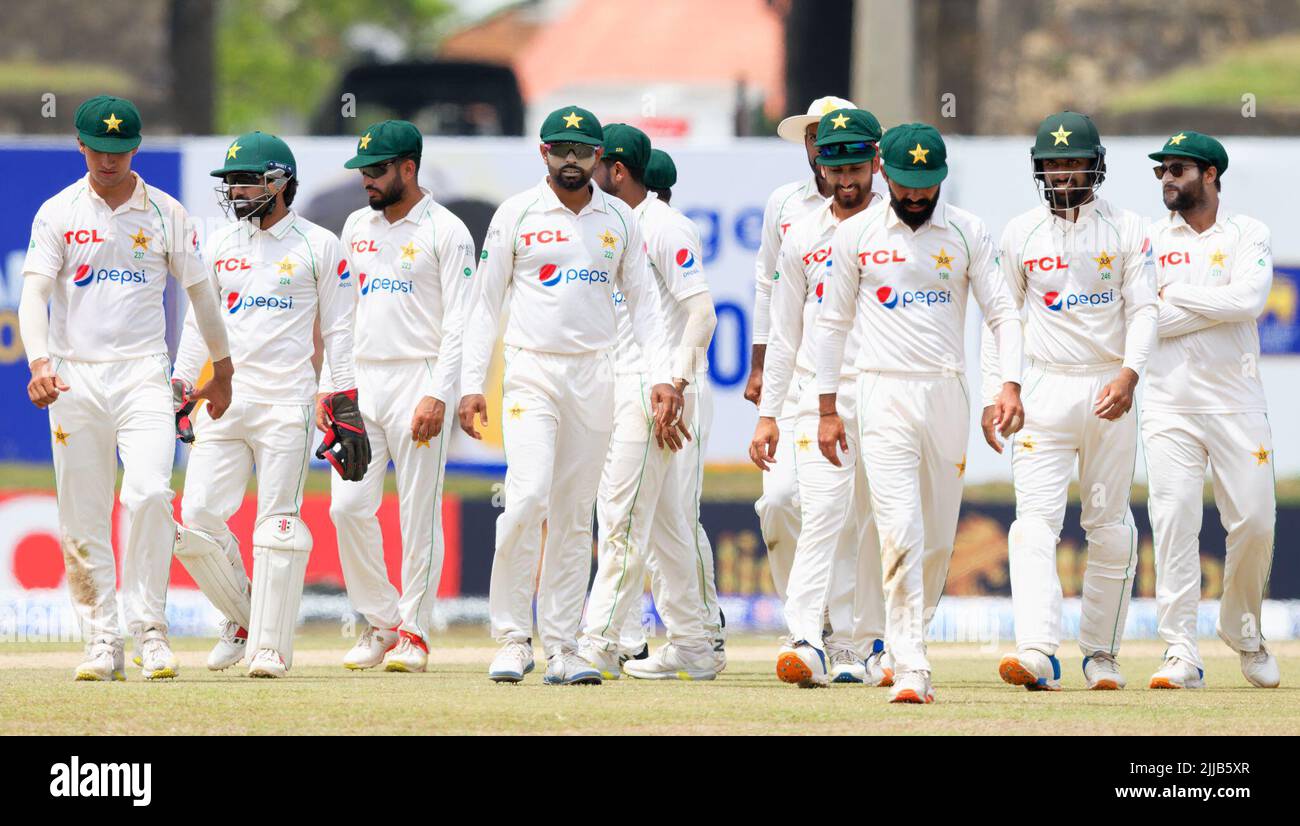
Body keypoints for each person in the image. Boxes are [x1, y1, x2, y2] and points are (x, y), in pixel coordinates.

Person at [458, 106, 680, 685]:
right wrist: (470, 384)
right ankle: (511, 636)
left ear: (600, 158)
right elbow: (483, 304)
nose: (573, 161)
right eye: (563, 150)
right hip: (531, 372)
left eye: (584, 151)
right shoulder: (517, 213)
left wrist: (661, 374)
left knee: (576, 515)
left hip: (596, 374)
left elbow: (647, 304)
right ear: (544, 153)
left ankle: (561, 645)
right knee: (527, 499)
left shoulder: (620, 221)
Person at [18, 95, 233, 681]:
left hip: (144, 375)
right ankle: (101, 641)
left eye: (120, 150)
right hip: (73, 376)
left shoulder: (166, 213)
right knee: (83, 514)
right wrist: (40, 362)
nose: (108, 161)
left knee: (148, 495)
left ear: (135, 148)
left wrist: (223, 367)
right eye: (98, 149)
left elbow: (202, 294)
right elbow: (34, 294)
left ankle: (151, 630)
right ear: (80, 145)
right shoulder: (57, 213)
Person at [817, 123, 1024, 704]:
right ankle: (910, 664)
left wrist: (1005, 387)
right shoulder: (856, 233)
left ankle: (903, 639)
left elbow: (1003, 313)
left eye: (925, 186)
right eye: (905, 185)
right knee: (900, 529)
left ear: (941, 178)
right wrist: (827, 408)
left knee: (935, 540)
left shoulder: (966, 231)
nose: (914, 197)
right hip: (880, 393)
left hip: (945, 393)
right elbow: (831, 324)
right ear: (884, 172)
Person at [171, 131, 367, 679]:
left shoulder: (319, 245)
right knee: (198, 518)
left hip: (288, 402)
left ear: (280, 183)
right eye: (230, 181)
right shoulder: (218, 244)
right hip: (225, 399)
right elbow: (198, 324)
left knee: (276, 524)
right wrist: (181, 383)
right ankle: (243, 619)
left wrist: (342, 399)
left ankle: (269, 648)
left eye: (246, 180)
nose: (234, 191)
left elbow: (340, 329)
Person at [985, 111, 1157, 692]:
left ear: (1096, 165)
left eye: (1073, 162)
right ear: (1039, 168)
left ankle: (1101, 654)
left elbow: (1146, 310)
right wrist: (1001, 389)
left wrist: (1131, 374)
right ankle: (1036, 649)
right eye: (1053, 163)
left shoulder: (1129, 229)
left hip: (1108, 387)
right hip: (1043, 389)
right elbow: (1002, 318)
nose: (1063, 173)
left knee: (1107, 523)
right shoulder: (1020, 234)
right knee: (1033, 524)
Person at [327, 121, 477, 673]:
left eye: (377, 170)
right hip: (362, 381)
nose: (367, 180)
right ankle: (382, 621)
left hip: (419, 378)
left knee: (417, 512)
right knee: (347, 508)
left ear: (408, 169)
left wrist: (440, 392)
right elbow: (342, 313)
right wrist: (336, 388)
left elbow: (460, 321)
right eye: (364, 170)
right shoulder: (354, 226)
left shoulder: (448, 230)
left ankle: (414, 631)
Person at [750, 108, 891, 687]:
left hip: (883, 388)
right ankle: (808, 636)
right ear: (822, 165)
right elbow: (784, 333)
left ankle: (867, 643)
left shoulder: (897, 224)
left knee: (876, 520)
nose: (846, 177)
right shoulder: (801, 232)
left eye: (855, 164)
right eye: (834, 164)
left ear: (874, 162)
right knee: (814, 509)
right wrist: (767, 414)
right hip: (816, 393)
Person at [580, 123, 721, 681]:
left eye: (594, 166)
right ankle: (695, 644)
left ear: (617, 171)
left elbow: (702, 314)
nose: (583, 175)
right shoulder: (615, 227)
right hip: (635, 383)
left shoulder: (663, 226)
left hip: (660, 387)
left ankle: (597, 643)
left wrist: (675, 386)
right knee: (665, 526)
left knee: (623, 517)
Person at [1142, 131, 1279, 689]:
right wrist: (1210, 307)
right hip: (1169, 405)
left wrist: (1174, 296)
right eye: (1161, 172)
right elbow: (1144, 324)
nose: (1167, 180)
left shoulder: (1248, 232)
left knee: (1255, 521)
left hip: (1237, 403)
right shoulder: (1148, 240)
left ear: (1210, 175)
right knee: (1174, 520)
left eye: (1177, 169)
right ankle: (1180, 651)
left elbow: (1250, 302)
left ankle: (1242, 628)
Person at [746, 95, 856, 600]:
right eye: (814, 136)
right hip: (796, 376)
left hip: (856, 374)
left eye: (831, 137)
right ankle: (804, 616)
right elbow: (768, 285)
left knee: (845, 508)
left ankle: (845, 632)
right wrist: (759, 364)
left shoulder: (875, 206)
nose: (820, 147)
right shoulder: (785, 205)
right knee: (779, 501)